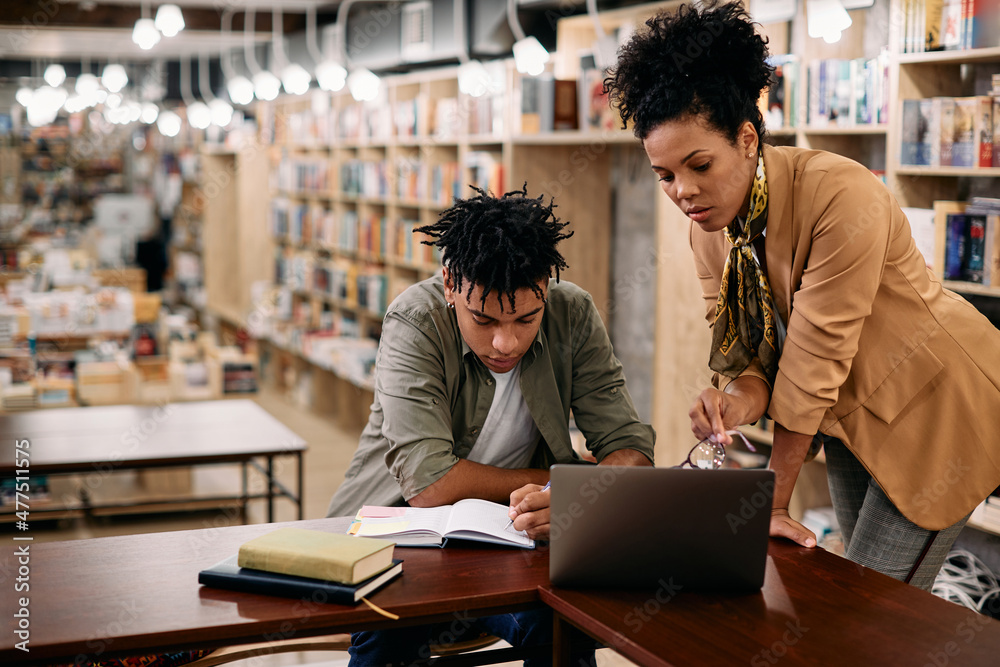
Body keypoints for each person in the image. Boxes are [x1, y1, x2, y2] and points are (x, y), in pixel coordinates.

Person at [604, 1, 1000, 590]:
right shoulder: (711, 234)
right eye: (665, 175)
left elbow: (814, 360)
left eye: (700, 164)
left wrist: (773, 498)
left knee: (876, 607)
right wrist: (734, 402)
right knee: (856, 600)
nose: (683, 191)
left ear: (745, 138)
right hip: (847, 415)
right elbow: (754, 362)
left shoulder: (841, 196)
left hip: (940, 407)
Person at [326, 185, 654, 666]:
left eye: (526, 318)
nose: (505, 342)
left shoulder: (573, 312)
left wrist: (588, 490)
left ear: (546, 287)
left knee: (564, 629)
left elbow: (628, 447)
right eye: (482, 319)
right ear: (449, 284)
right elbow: (430, 484)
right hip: (400, 538)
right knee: (388, 633)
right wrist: (570, 483)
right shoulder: (414, 322)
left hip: (514, 540)